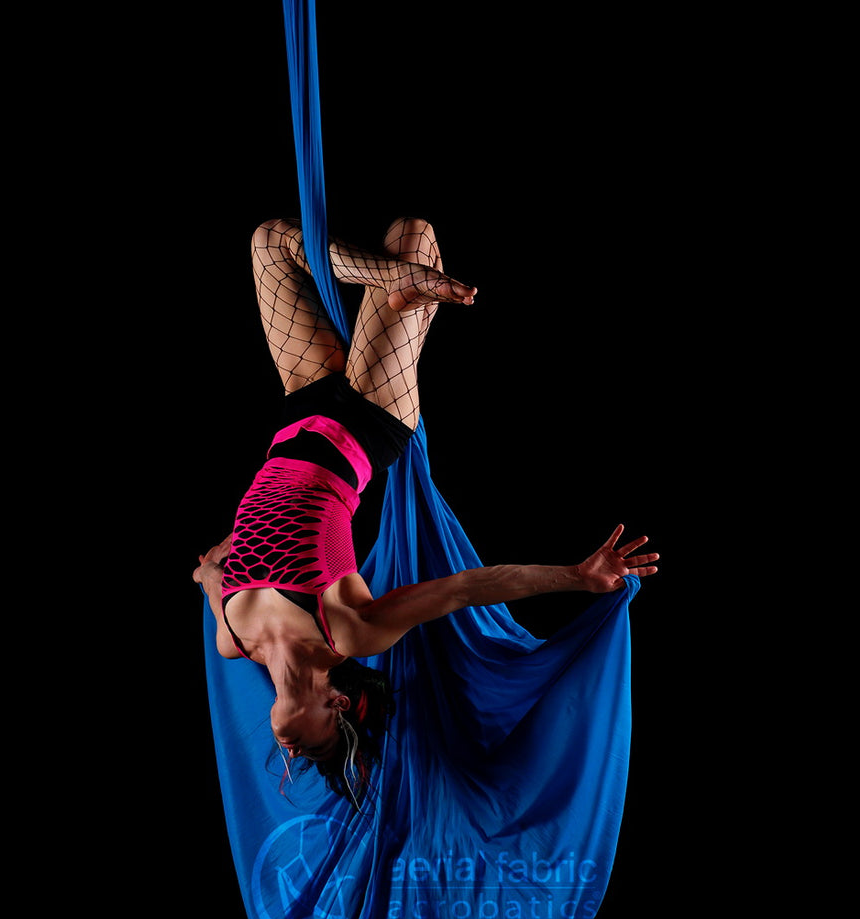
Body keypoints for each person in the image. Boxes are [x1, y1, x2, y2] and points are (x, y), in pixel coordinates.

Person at [194, 216, 658, 807]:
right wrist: (575, 577)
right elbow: (466, 589)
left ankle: (409, 289)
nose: (290, 750)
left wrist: (212, 568)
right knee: (412, 232)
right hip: (367, 421)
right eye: (313, 749)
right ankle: (409, 287)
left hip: (298, 412)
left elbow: (213, 574)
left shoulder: (233, 638)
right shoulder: (350, 630)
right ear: (337, 705)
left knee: (269, 241)